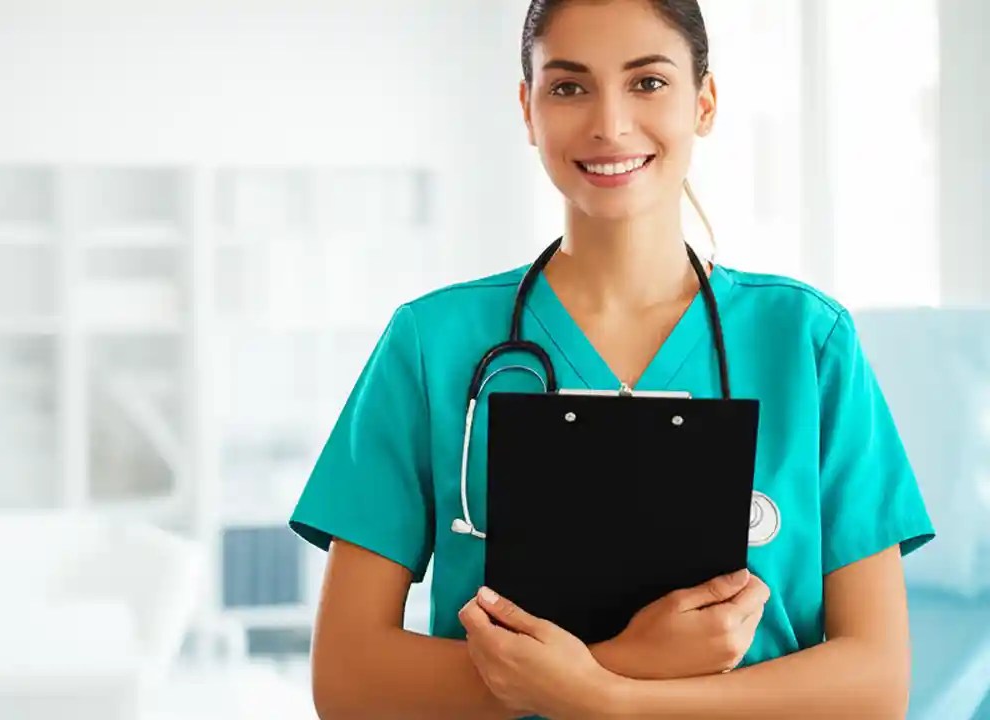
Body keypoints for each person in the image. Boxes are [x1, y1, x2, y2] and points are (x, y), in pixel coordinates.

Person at [288, 0, 936, 717]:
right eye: (568, 87)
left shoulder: (807, 343)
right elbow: (348, 679)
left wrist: (609, 696)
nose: (610, 123)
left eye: (648, 82)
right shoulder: (429, 343)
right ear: (527, 110)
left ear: (706, 102)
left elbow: (876, 685)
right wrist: (624, 664)